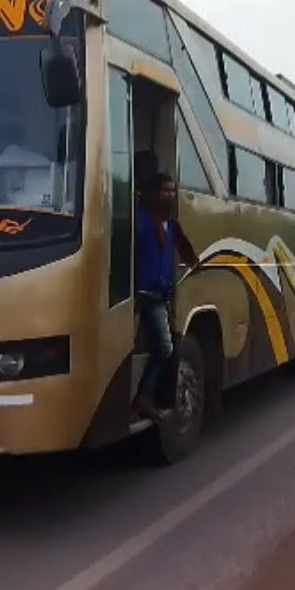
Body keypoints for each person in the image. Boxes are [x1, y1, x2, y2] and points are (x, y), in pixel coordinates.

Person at [134, 171, 199, 420]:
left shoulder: (171, 226)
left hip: (162, 296)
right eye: (165, 191)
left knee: (162, 347)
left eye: (173, 191)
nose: (170, 195)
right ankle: (143, 397)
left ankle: (148, 397)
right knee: (164, 348)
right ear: (153, 193)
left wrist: (194, 261)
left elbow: (184, 248)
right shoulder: (140, 221)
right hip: (145, 296)